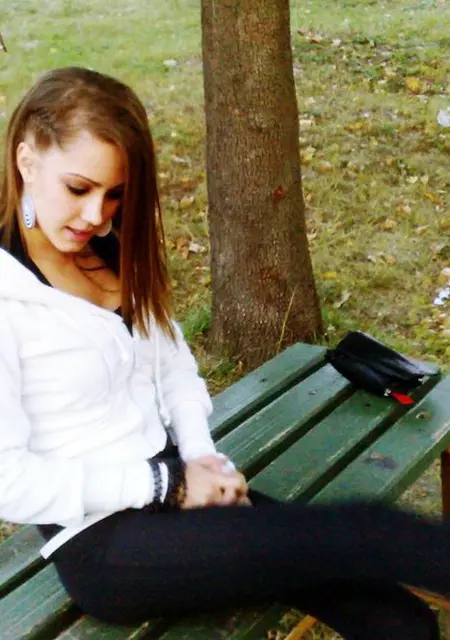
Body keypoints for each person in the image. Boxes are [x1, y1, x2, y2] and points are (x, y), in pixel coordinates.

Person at [0, 67, 448, 640]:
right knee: (366, 533)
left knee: (398, 620)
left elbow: (173, 366)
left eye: (114, 194)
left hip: (177, 491)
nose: (97, 216)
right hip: (106, 542)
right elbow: (10, 482)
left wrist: (200, 457)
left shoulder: (107, 252)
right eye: (79, 189)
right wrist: (166, 484)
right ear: (27, 159)